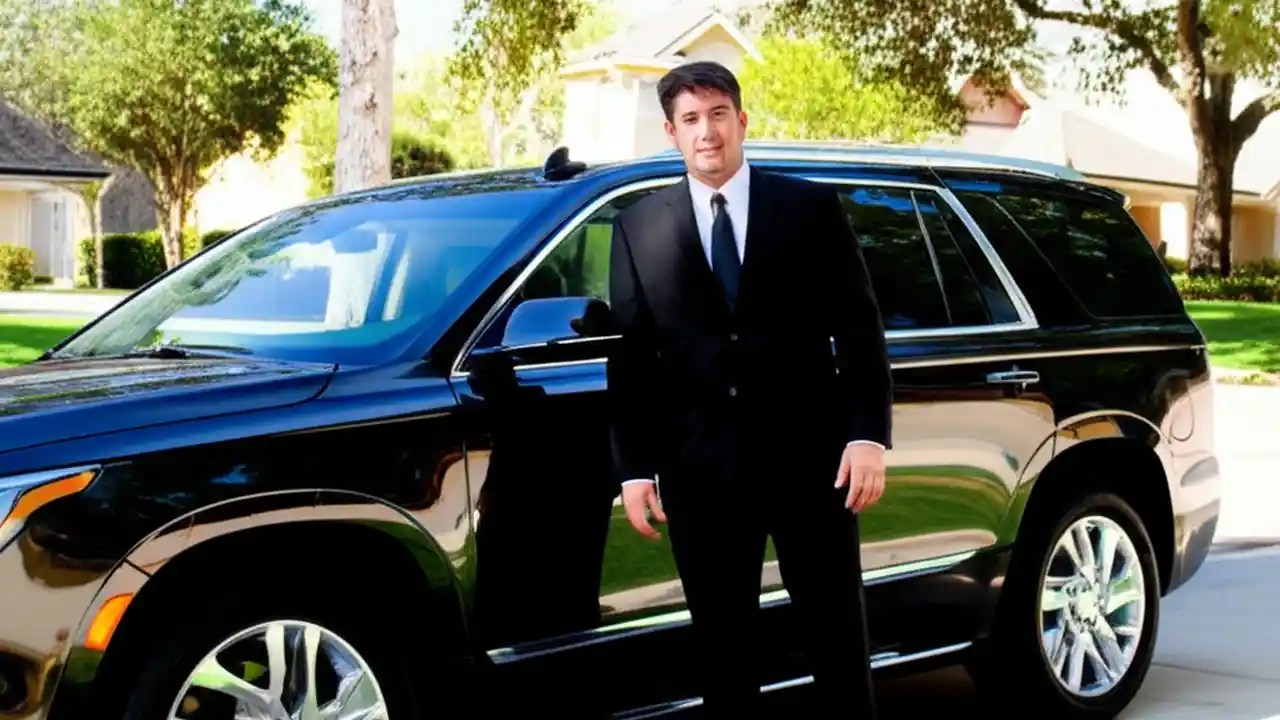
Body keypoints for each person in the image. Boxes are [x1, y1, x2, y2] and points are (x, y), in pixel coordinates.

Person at [606, 60, 892, 718]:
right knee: (723, 652)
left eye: (717, 115)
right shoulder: (637, 229)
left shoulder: (808, 208)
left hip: (813, 467)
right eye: (690, 120)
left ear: (741, 120)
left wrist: (867, 435)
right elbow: (632, 360)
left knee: (838, 643)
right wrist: (634, 468)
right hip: (699, 475)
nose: (706, 132)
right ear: (671, 133)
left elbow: (858, 328)